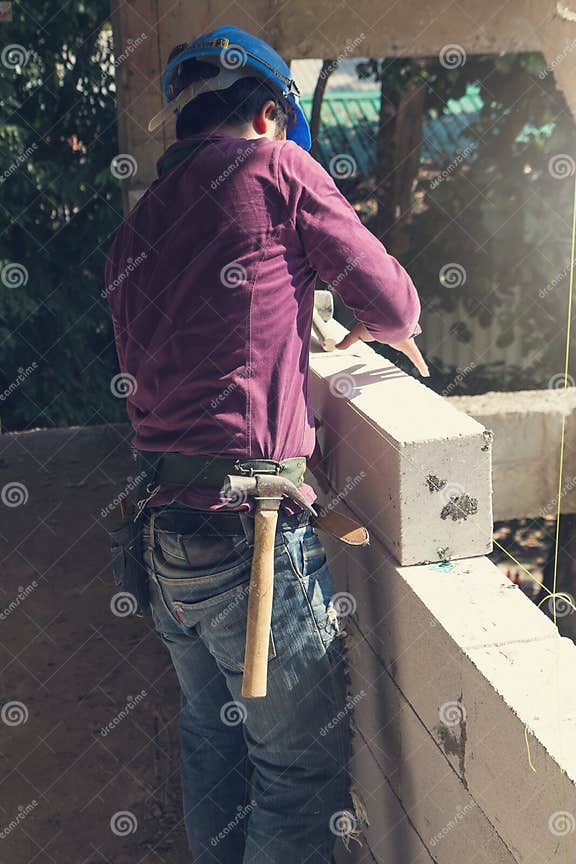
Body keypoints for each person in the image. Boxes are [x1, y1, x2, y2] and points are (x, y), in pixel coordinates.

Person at [104, 24, 428, 864]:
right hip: (251, 534)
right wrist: (359, 317)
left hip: (164, 538)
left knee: (214, 757)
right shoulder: (275, 168)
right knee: (297, 777)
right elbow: (392, 304)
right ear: (274, 113)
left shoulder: (134, 230)